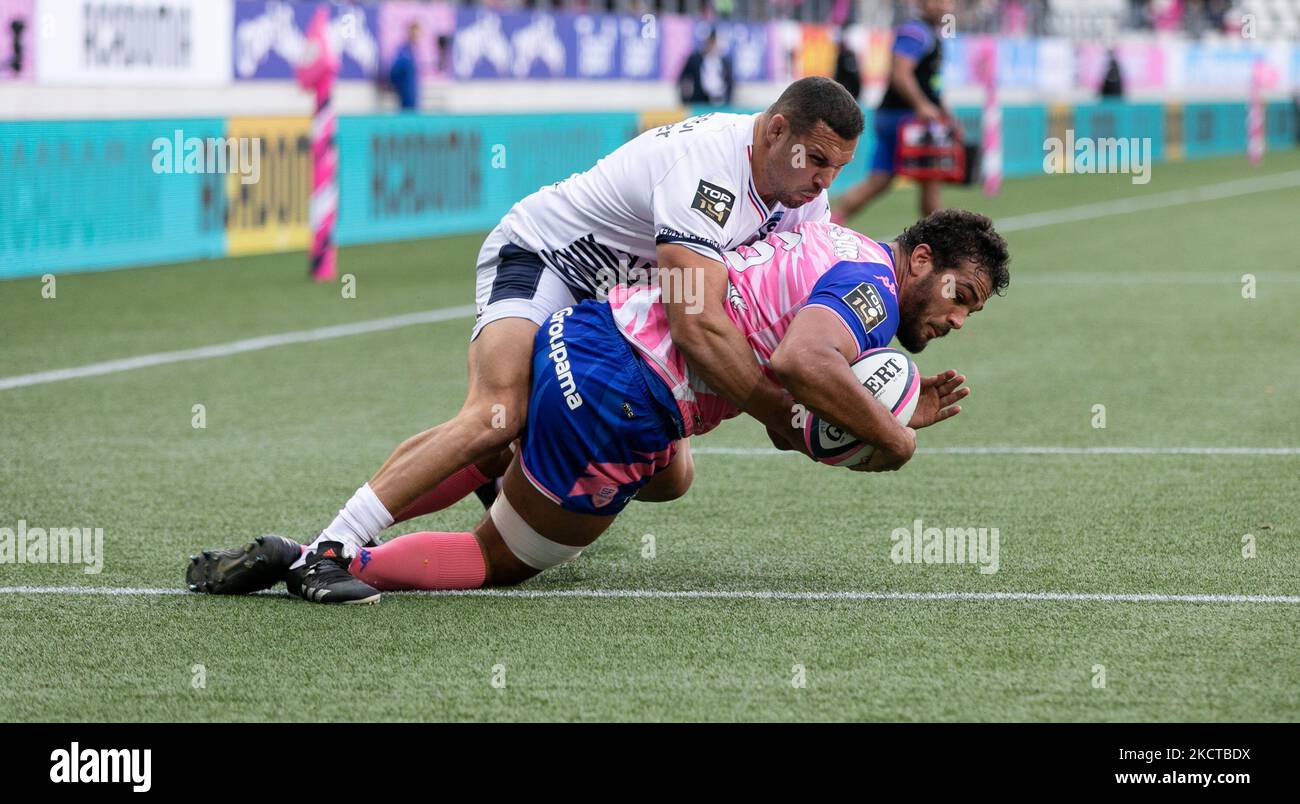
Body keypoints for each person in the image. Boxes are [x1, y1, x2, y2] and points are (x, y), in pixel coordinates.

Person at [186, 77, 863, 603]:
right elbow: (695, 321)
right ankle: (332, 547)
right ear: (776, 131)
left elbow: (787, 292)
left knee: (672, 478)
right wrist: (781, 411)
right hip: (544, 259)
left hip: (612, 307)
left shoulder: (799, 193)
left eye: (836, 169)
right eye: (817, 162)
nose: (823, 183)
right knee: (495, 414)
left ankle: (476, 485)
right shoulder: (708, 170)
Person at [192, 211, 1009, 602]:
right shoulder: (869, 293)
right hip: (620, 403)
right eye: (958, 295)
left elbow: (793, 416)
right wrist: (895, 441)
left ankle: (454, 487)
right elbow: (801, 365)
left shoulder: (839, 241)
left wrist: (885, 416)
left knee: (670, 475)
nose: (958, 320)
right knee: (495, 561)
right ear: (922, 260)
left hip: (586, 332)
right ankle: (323, 557)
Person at [832, 0, 957, 224]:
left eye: (948, 0)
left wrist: (941, 108)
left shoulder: (930, 35)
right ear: (922, 1)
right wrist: (922, 105)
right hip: (906, 118)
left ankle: (830, 223)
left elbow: (929, 82)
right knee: (930, 181)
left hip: (896, 115)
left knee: (880, 180)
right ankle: (941, 246)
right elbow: (900, 72)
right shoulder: (916, 32)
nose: (944, 6)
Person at [677, 30, 734, 107]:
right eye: (711, 42)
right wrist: (685, 100)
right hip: (699, 101)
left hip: (720, 101)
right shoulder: (695, 59)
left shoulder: (725, 61)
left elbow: (729, 82)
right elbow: (684, 79)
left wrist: (728, 101)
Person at [388, 21, 421, 111]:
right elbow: (394, 72)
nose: (417, 37)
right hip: (406, 93)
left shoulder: (413, 50)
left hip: (413, 93)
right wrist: (398, 86)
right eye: (415, 34)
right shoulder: (404, 50)